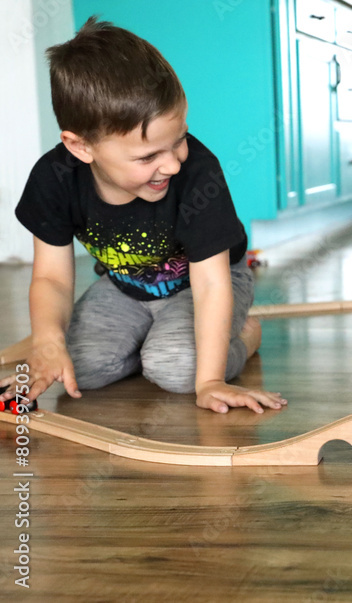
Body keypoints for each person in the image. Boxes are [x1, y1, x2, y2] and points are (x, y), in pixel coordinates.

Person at [0, 18, 286, 414]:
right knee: (76, 367)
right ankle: (149, 341)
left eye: (180, 139)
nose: (171, 164)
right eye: (148, 156)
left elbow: (210, 284)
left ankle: (244, 334)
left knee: (179, 369)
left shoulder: (198, 173)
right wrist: (48, 343)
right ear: (81, 147)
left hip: (204, 284)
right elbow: (50, 277)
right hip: (125, 286)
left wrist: (210, 381)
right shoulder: (54, 179)